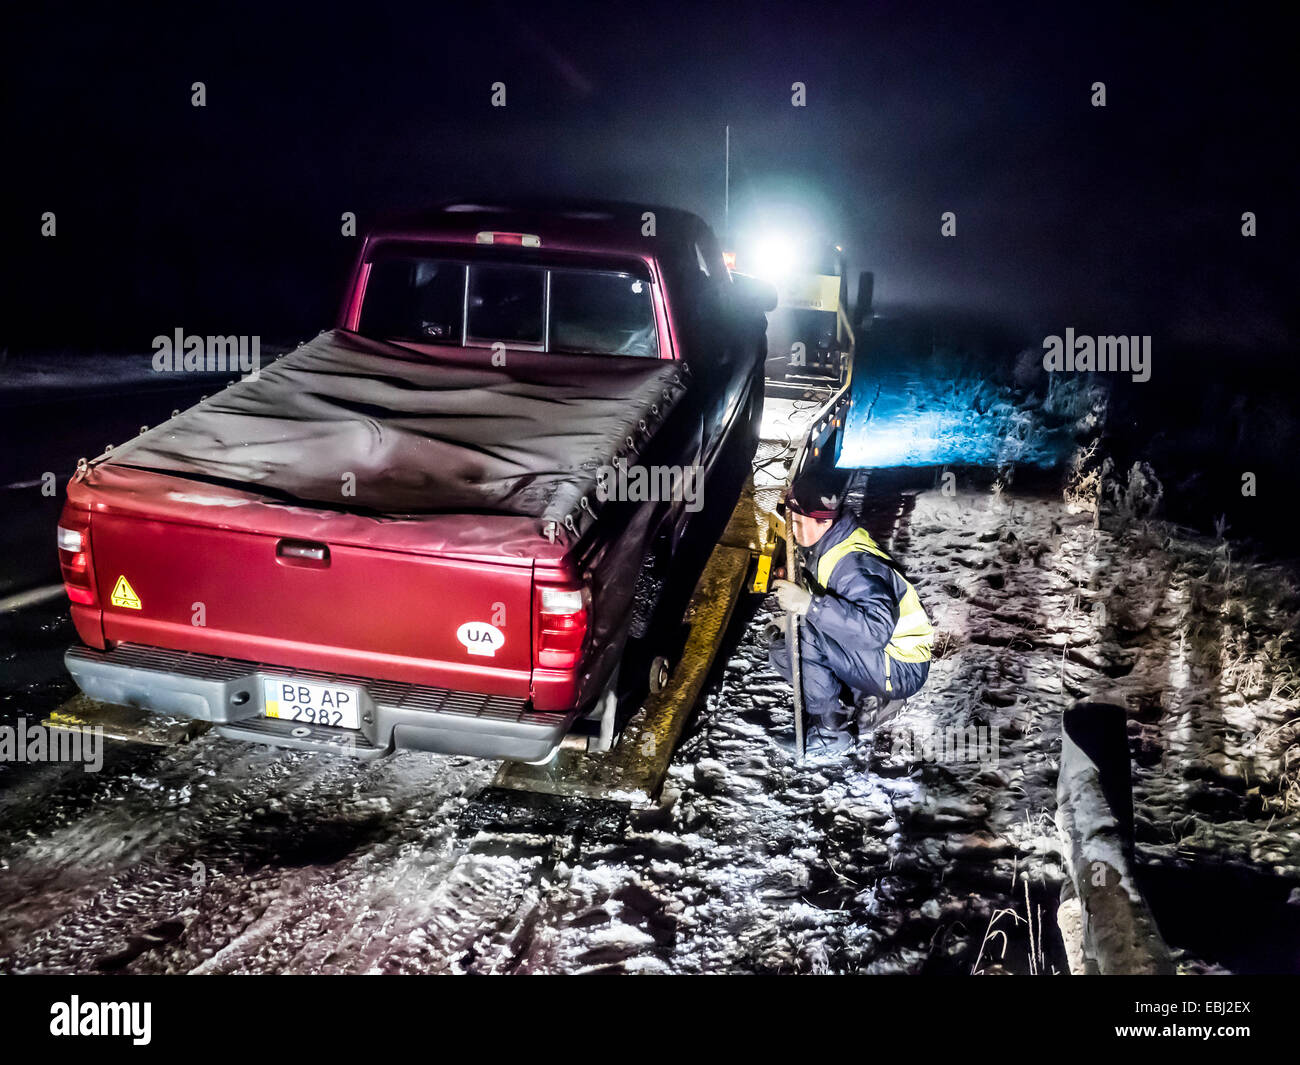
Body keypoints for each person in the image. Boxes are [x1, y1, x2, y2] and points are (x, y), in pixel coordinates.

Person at [768, 470, 934, 760]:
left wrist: (810, 606)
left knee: (805, 633)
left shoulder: (852, 563)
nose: (791, 528)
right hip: (889, 657)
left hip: (902, 668)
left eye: (796, 521)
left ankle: (832, 733)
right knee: (784, 651)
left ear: (823, 520)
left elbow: (873, 631)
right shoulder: (834, 540)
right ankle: (865, 697)